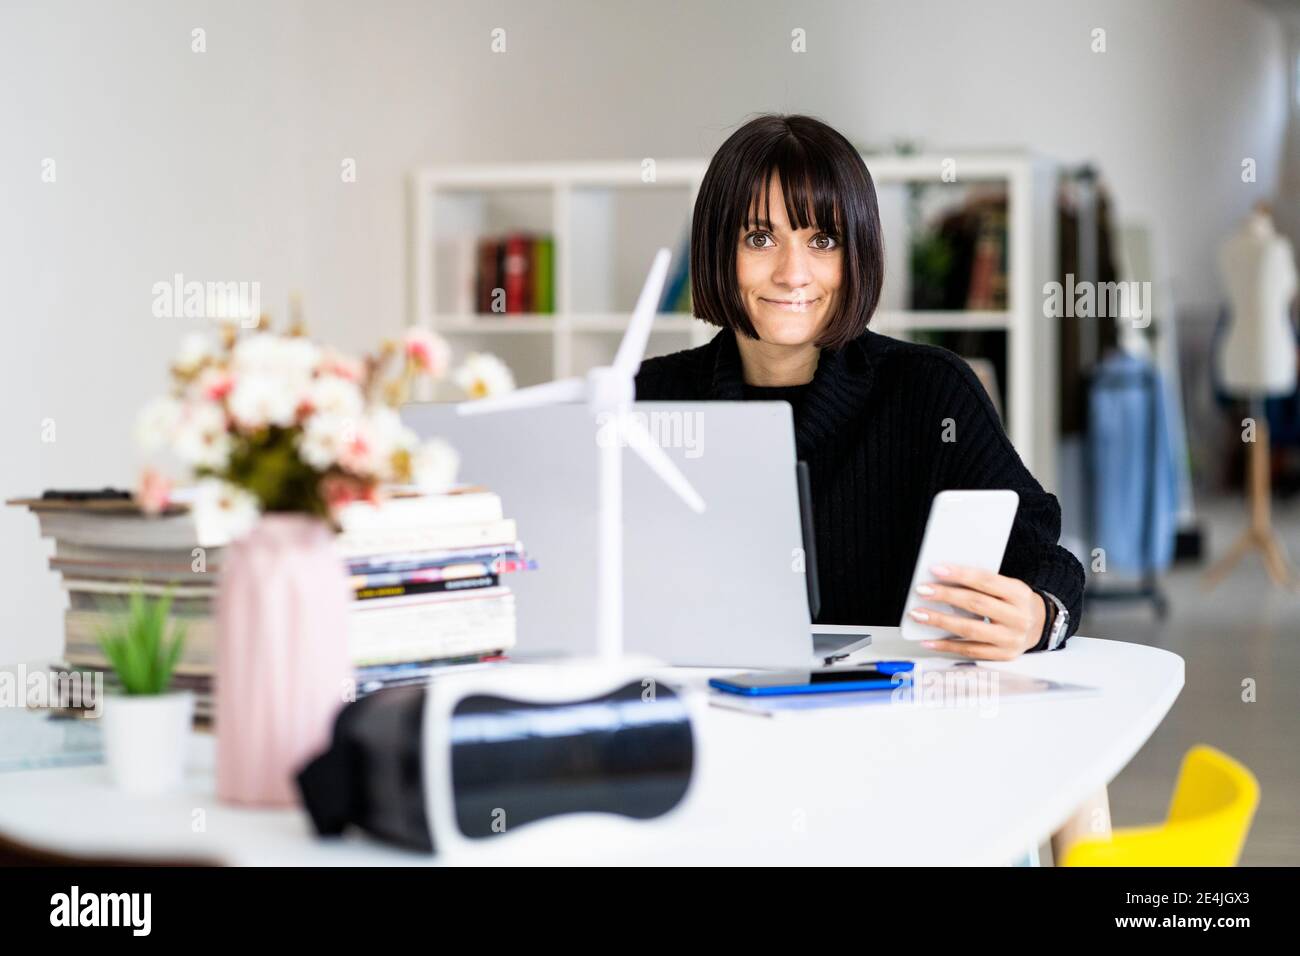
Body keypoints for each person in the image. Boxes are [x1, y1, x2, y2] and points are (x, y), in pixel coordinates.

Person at [635, 114, 1083, 659]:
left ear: (857, 255)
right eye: (759, 238)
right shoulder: (648, 397)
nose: (792, 273)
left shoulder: (927, 390)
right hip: (706, 715)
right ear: (716, 251)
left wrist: (1039, 614)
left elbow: (1042, 550)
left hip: (894, 720)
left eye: (822, 240)